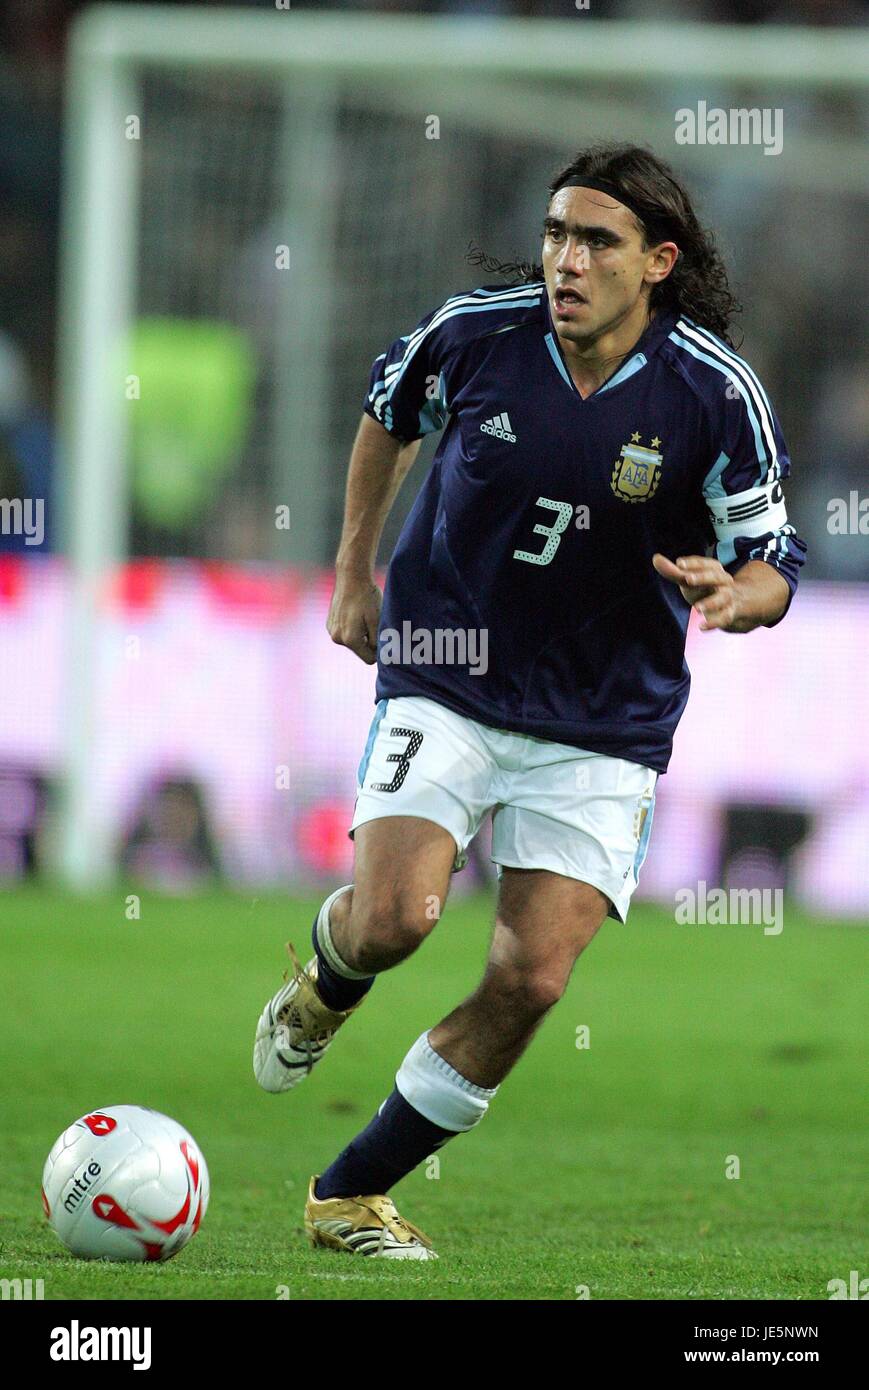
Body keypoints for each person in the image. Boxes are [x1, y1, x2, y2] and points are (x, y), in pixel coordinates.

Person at [254, 143, 806, 1259]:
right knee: (395, 919)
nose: (564, 259)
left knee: (531, 977)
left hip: (603, 720)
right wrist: (354, 564)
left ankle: (350, 1194)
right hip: (446, 663)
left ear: (656, 261)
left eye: (595, 241)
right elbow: (386, 411)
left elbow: (771, 557)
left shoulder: (711, 390)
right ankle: (328, 972)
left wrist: (736, 596)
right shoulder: (474, 332)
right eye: (556, 234)